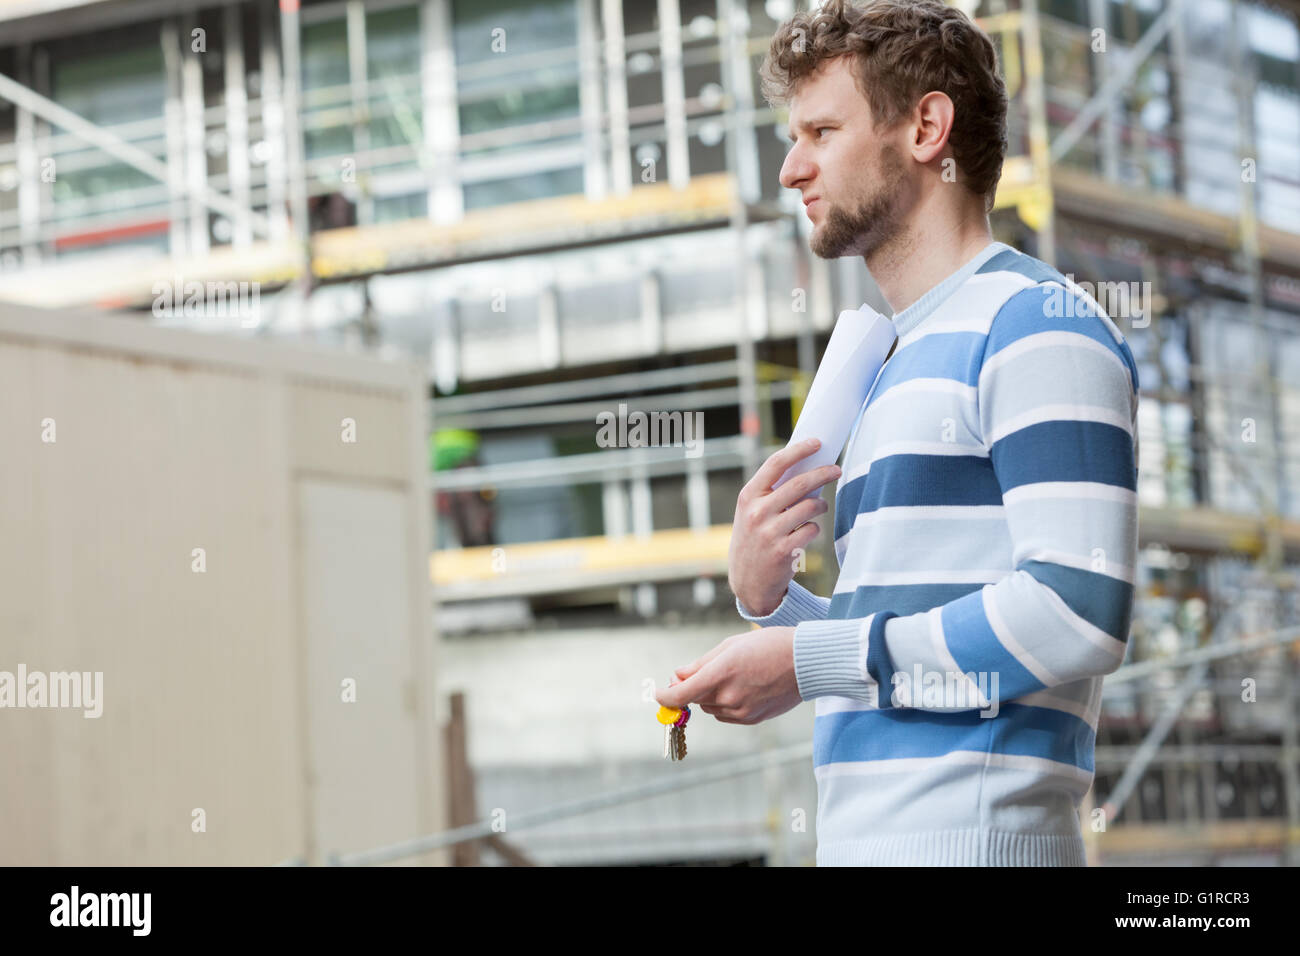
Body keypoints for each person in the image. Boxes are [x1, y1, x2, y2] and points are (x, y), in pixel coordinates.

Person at [655, 0, 1139, 866]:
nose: (790, 169)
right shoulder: (894, 358)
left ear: (925, 127)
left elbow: (1077, 612)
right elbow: (892, 637)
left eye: (820, 131)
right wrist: (776, 605)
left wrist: (806, 659)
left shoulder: (1039, 326)